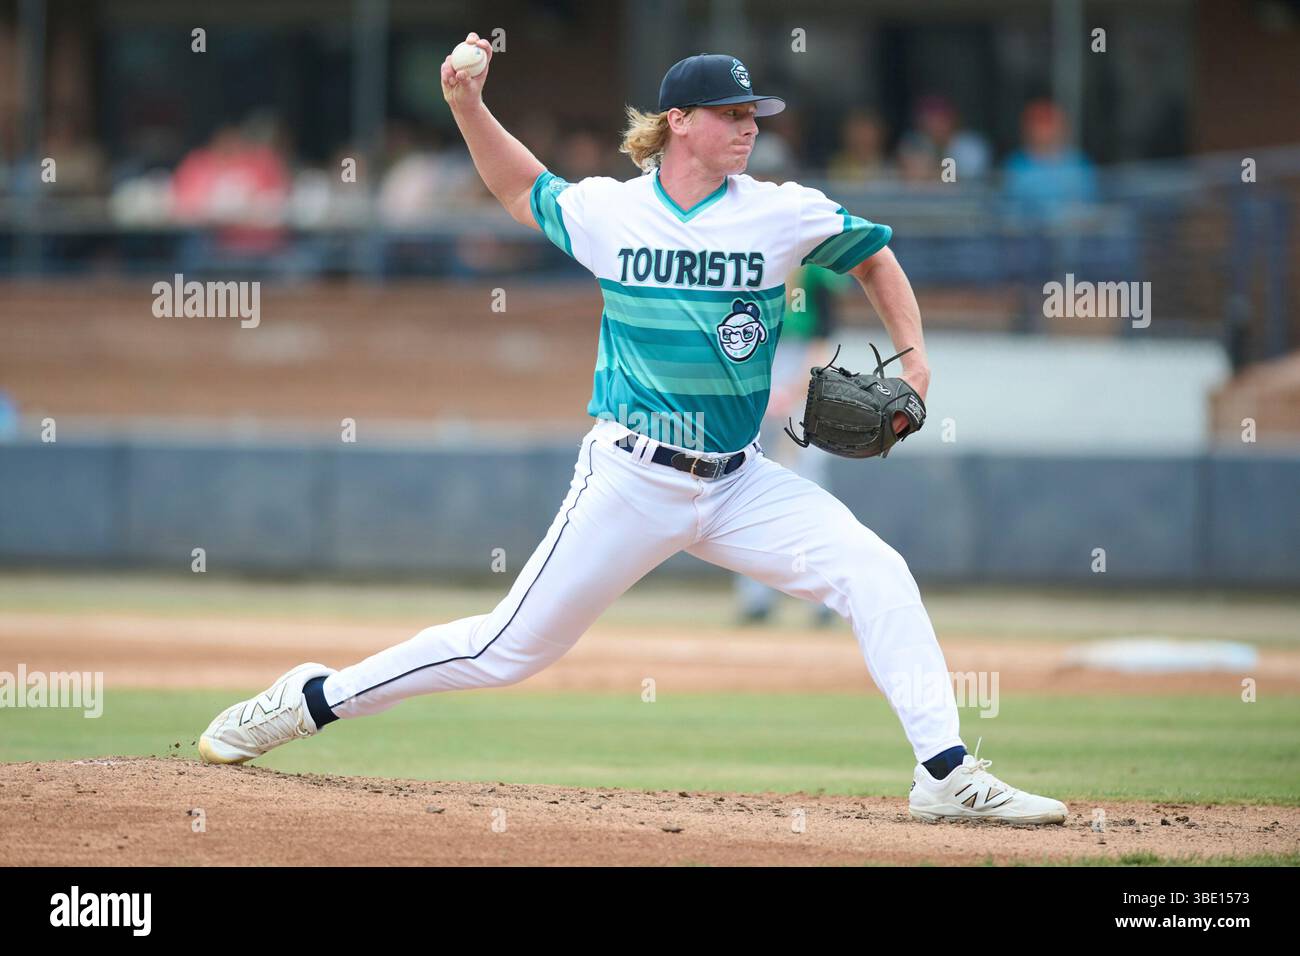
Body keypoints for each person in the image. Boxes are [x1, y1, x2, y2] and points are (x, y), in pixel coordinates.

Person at [197, 39, 1069, 826]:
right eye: (731, 115)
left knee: (877, 571)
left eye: (752, 115)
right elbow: (516, 185)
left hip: (737, 482)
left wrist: (914, 359)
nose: (747, 128)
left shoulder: (780, 211)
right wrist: (466, 103)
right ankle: (312, 698)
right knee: (505, 649)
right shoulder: (613, 212)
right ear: (678, 123)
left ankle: (945, 772)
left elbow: (875, 254)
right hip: (630, 476)